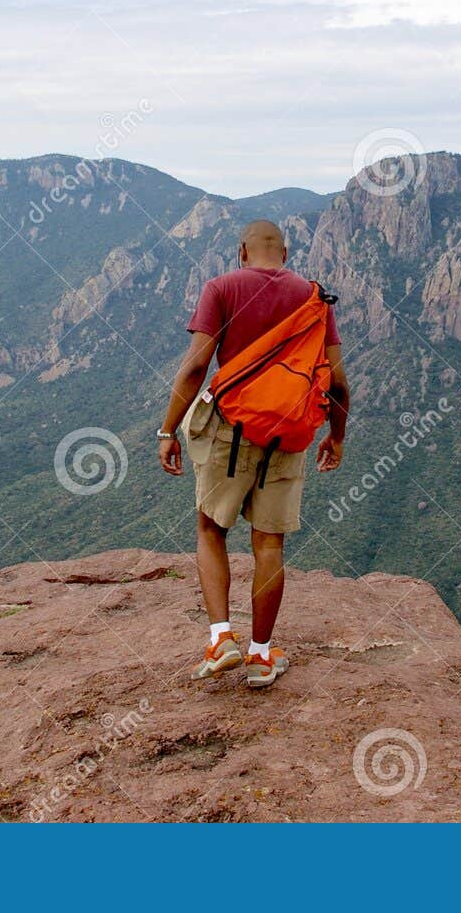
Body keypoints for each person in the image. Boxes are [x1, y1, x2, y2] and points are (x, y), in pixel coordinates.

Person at [157, 220, 349, 688]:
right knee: (269, 542)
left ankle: (221, 638)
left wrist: (167, 430)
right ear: (284, 252)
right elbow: (339, 382)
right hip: (289, 431)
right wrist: (337, 436)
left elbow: (197, 366)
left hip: (231, 431)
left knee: (210, 527)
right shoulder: (314, 298)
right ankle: (262, 658)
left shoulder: (221, 287)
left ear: (242, 252)